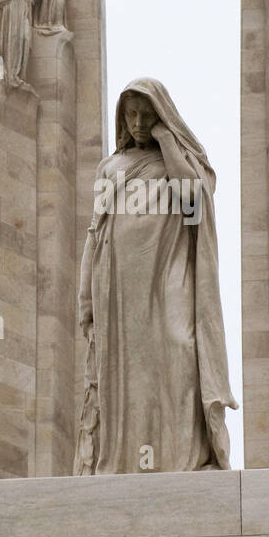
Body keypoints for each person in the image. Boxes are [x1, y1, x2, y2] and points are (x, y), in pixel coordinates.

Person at [75, 78, 237, 475]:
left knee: (178, 350)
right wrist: (87, 302)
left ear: (162, 115)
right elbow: (95, 232)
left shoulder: (179, 162)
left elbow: (194, 202)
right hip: (119, 288)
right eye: (130, 114)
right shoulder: (110, 167)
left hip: (169, 276)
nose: (137, 123)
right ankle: (127, 460)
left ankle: (185, 458)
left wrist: (168, 142)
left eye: (147, 115)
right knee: (128, 374)